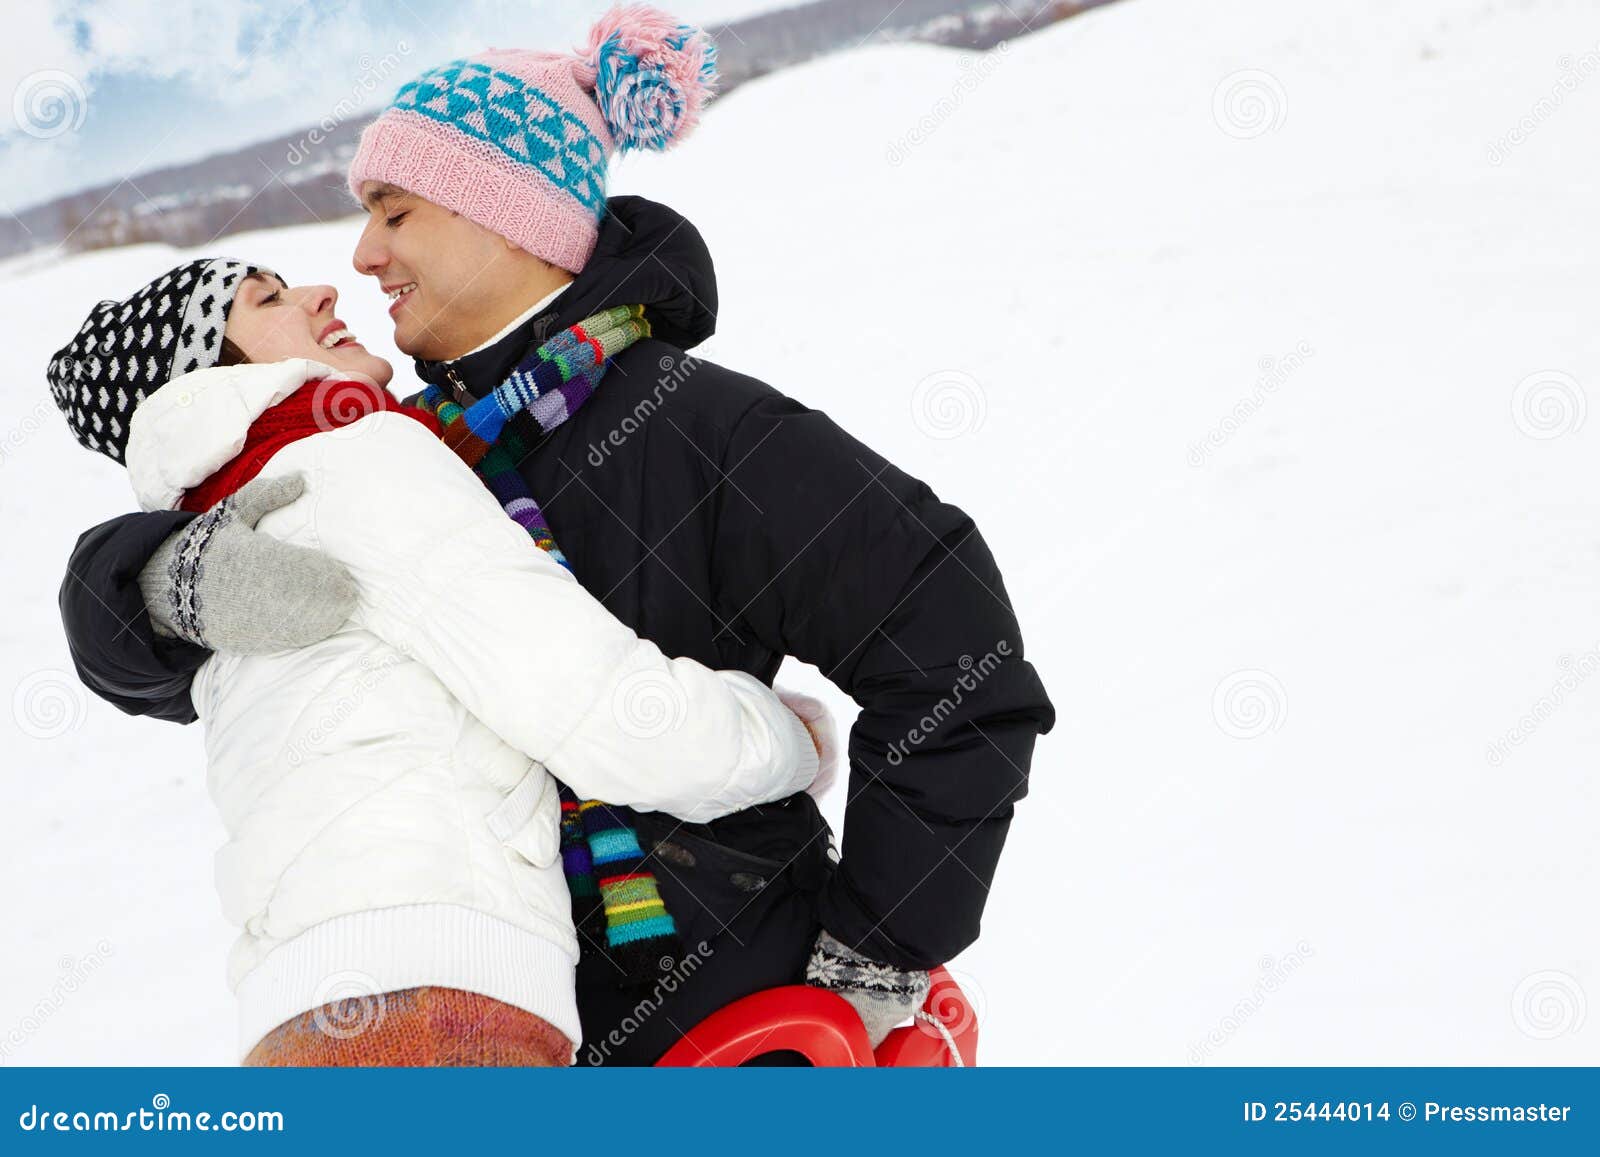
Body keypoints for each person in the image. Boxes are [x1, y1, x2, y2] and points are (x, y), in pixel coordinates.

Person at [56, 4, 1056, 1064]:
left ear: (503, 214)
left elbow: (960, 659)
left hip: (742, 1026)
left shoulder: (696, 427)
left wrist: (875, 955)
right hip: (506, 1030)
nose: (360, 252)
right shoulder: (396, 447)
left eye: (394, 211)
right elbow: (201, 664)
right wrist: (160, 578)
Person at [45, 255, 826, 1065]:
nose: (322, 290)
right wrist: (783, 739)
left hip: (298, 1012)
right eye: (268, 299)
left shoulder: (224, 527)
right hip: (443, 999)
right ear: (209, 369)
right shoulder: (349, 458)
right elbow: (599, 710)